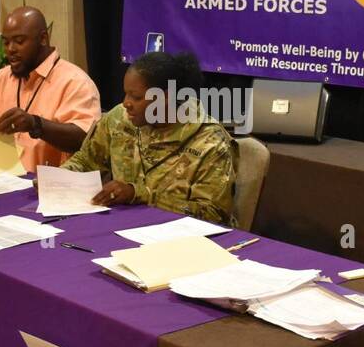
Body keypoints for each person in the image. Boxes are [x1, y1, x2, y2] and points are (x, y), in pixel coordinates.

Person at [63, 51, 236, 225]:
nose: (126, 103)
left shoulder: (210, 143)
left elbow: (213, 215)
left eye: (136, 97)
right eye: (126, 94)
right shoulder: (119, 119)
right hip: (122, 227)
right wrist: (60, 177)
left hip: (181, 241)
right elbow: (87, 161)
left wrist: (139, 195)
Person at [0, 6, 100, 172]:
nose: (10, 49)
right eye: (6, 42)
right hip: (0, 181)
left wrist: (35, 124)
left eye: (19, 41)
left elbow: (84, 140)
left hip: (46, 189)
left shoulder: (75, 82)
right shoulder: (4, 77)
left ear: (43, 39)